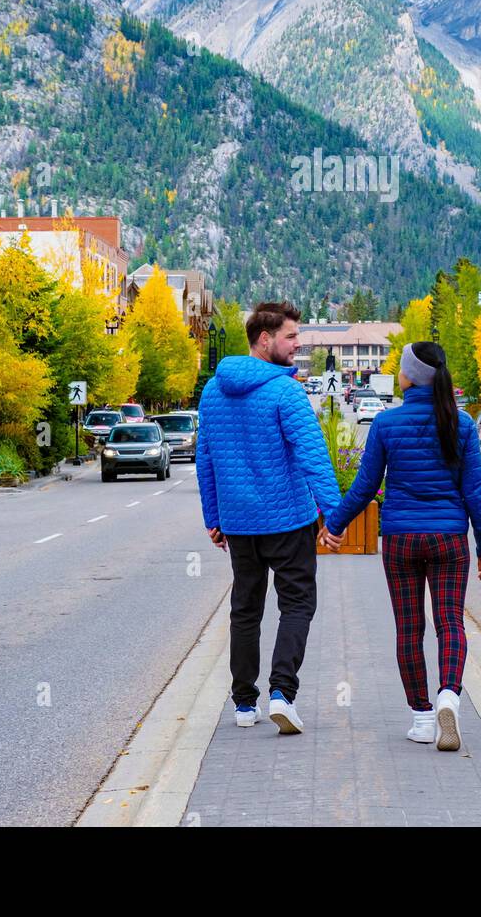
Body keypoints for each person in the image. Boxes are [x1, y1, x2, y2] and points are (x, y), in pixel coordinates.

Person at [322, 342, 481, 752]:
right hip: (450, 539)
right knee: (450, 622)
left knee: (409, 628)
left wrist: (335, 524)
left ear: (409, 377)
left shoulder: (386, 424)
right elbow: (475, 493)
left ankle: (421, 718)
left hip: (400, 539)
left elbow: (366, 487)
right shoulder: (463, 425)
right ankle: (448, 697)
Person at [196, 301, 343, 735]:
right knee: (297, 602)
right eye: (291, 337)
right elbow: (314, 457)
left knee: (245, 608)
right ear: (265, 340)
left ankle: (244, 704)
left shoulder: (212, 391)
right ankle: (282, 693)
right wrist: (334, 517)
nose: (298, 345)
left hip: (240, 523)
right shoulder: (286, 392)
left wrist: (213, 516)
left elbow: (206, 459)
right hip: (288, 519)